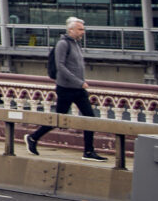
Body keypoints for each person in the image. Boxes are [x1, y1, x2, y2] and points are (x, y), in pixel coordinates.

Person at [27, 17, 107, 161]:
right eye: (80, 29)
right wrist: (79, 82)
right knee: (59, 118)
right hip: (66, 89)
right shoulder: (63, 44)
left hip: (78, 89)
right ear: (71, 30)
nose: (83, 32)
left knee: (90, 118)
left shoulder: (76, 44)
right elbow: (61, 67)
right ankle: (33, 137)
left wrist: (80, 82)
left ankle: (88, 152)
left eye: (83, 29)